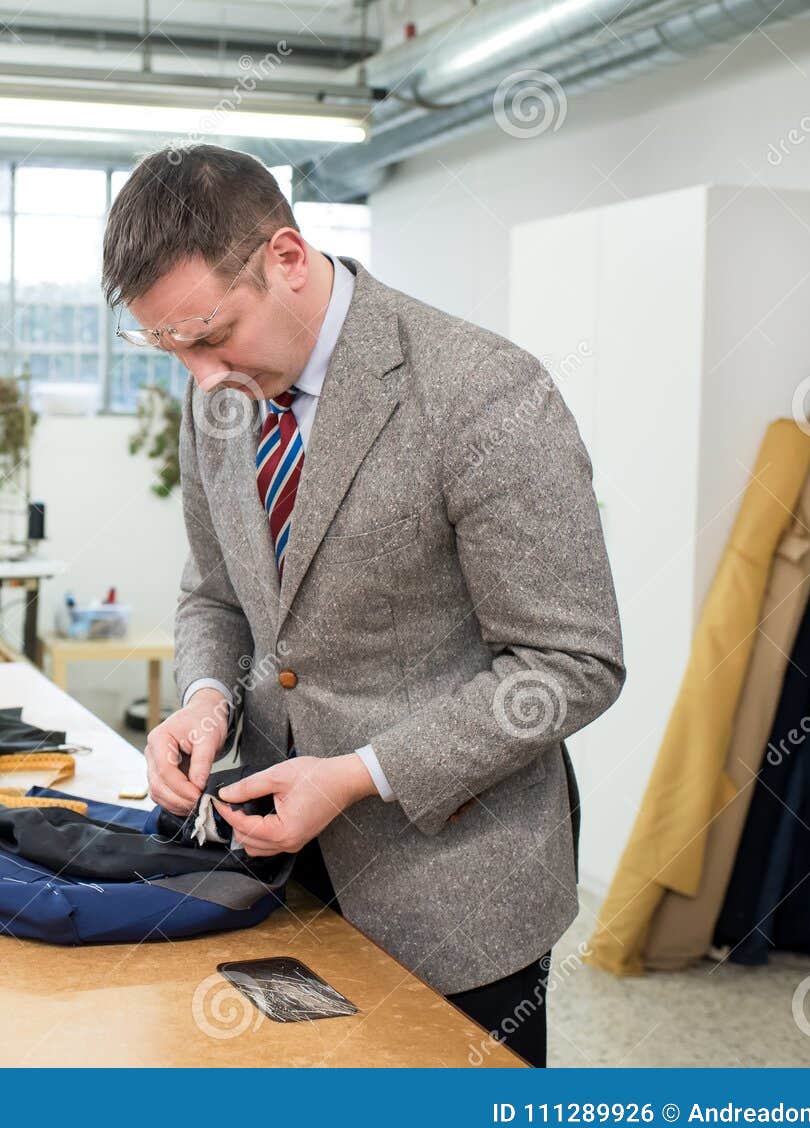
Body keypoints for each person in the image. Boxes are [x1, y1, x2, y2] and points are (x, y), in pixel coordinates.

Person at [103, 144, 624, 1067]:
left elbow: (570, 664)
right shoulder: (218, 398)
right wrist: (204, 701)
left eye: (210, 334)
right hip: (277, 872)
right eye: (169, 347)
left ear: (288, 260)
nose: (201, 376)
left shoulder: (484, 393)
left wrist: (357, 774)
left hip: (455, 892)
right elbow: (216, 591)